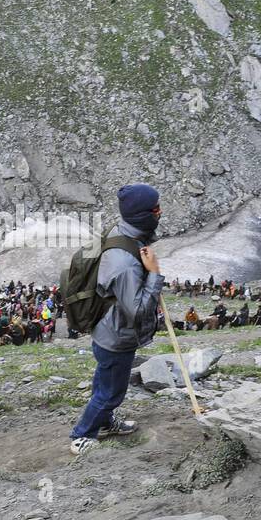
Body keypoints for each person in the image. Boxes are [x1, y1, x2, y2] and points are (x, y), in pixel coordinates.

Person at [69, 183, 165, 456]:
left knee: (104, 382)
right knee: (111, 392)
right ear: (142, 215)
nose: (160, 212)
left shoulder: (123, 232)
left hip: (107, 330)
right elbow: (137, 310)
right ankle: (81, 436)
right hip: (116, 336)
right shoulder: (123, 263)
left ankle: (104, 420)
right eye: (155, 209)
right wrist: (155, 274)